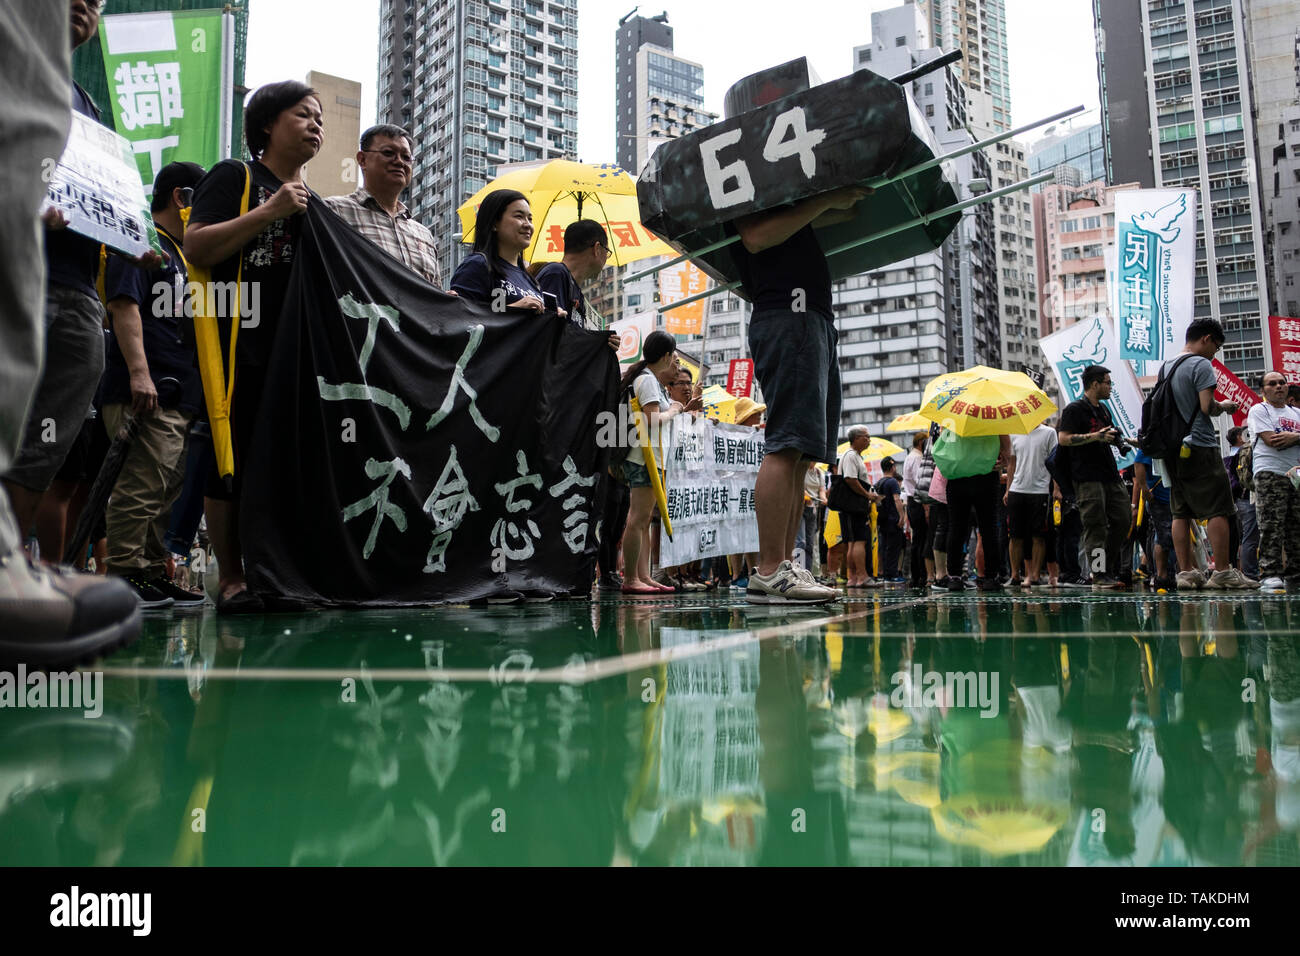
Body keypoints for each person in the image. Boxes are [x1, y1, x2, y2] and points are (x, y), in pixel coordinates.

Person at [0, 0, 142, 666]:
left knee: (45, 436)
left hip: (75, 289)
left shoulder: (80, 101)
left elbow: (101, 203)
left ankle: (11, 551)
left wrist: (130, 239)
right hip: (25, 269)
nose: (86, 5)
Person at [185, 79, 324, 614]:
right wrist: (271, 211)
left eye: (319, 119)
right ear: (267, 123)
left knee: (286, 460)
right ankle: (233, 578)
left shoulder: (315, 204)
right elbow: (197, 246)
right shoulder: (236, 177)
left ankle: (281, 572)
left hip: (296, 355)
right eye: (304, 115)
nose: (316, 125)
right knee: (231, 458)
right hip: (238, 345)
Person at [728, 185, 871, 604]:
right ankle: (770, 569)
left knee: (800, 451)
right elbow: (754, 236)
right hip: (789, 318)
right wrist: (826, 199)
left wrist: (836, 200)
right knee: (786, 444)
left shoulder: (789, 197)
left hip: (812, 320)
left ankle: (782, 566)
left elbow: (830, 216)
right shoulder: (743, 180)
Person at [102, 161, 208, 609]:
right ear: (180, 198)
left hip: (177, 393)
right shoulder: (142, 241)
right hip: (144, 389)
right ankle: (125, 574)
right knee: (142, 485)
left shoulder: (184, 255)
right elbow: (123, 305)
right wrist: (139, 373)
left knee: (165, 488)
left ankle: (147, 571)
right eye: (202, 201)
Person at [1160, 319, 1255, 590]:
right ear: (1207, 338)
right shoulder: (1200, 364)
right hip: (1199, 445)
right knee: (1219, 507)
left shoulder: (1167, 366)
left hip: (1172, 449)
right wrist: (1224, 406)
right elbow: (1206, 407)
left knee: (1181, 511)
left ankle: (1187, 573)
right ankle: (1223, 572)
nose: (1215, 353)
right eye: (1216, 346)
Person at [615, 331, 698, 594]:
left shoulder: (647, 379)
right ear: (664, 355)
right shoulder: (647, 381)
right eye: (673, 354)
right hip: (644, 458)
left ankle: (644, 576)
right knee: (638, 518)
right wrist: (673, 409)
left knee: (644, 519)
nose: (675, 359)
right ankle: (631, 578)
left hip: (651, 458)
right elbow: (651, 419)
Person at [323, 124, 444, 286]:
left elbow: (435, 293)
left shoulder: (424, 234)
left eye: (406, 157)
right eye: (389, 153)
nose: (399, 162)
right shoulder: (333, 211)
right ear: (362, 159)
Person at [1057, 365, 1131, 591]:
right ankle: (1099, 574)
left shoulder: (1104, 410)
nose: (1110, 386)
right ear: (1095, 384)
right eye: (1107, 382)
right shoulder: (1074, 410)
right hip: (1086, 477)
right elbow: (1063, 439)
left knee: (1123, 519)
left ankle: (1105, 567)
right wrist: (1095, 436)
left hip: (1110, 474)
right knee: (1095, 526)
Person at [449, 188, 546, 311]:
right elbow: (461, 318)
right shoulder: (477, 265)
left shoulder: (531, 281)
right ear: (494, 223)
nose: (528, 225)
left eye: (530, 218)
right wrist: (514, 309)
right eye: (519, 216)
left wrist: (551, 315)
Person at [1247, 371, 1300, 591]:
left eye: (1282, 382)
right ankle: (1270, 573)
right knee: (1271, 524)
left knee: (1296, 526)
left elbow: (1286, 439)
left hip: (1296, 475)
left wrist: (1294, 437)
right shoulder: (1259, 410)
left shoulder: (1297, 411)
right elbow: (1273, 440)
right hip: (1269, 472)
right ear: (1263, 390)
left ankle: (1296, 573)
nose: (1278, 386)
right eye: (1272, 383)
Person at [940, 430, 1012, 592]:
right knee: (989, 529)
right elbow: (1007, 451)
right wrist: (1001, 463)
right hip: (986, 476)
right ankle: (991, 577)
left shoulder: (953, 416)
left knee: (956, 528)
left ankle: (954, 577)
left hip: (957, 476)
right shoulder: (992, 416)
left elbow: (942, 447)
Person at [534, 220, 619, 349]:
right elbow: (548, 334)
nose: (606, 258)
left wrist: (602, 344)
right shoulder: (556, 274)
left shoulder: (577, 293)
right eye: (606, 251)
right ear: (597, 249)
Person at [1005, 421, 1057, 588]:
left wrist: (1056, 488)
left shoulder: (1049, 433)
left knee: (1038, 535)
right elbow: (1012, 464)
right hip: (1017, 489)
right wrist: (1008, 489)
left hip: (1040, 490)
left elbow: (1055, 463)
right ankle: (1015, 575)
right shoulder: (1014, 432)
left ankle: (1034, 575)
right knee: (1015, 535)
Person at [836, 427, 878, 589]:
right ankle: (861, 576)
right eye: (866, 437)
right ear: (857, 438)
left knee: (853, 542)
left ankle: (853, 577)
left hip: (851, 505)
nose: (869, 439)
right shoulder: (851, 456)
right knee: (858, 540)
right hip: (854, 505)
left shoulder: (854, 456)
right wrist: (867, 495)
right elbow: (850, 479)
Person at [1132, 448, 1176, 591]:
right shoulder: (1152, 439)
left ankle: (1167, 574)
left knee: (1166, 535)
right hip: (1159, 497)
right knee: (1162, 536)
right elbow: (1138, 462)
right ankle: (1161, 576)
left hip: (1170, 496)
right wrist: (1144, 489)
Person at [1224, 425, 1258, 579]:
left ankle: (1244, 571)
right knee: (1250, 536)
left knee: (1240, 536)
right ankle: (1251, 573)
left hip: (1234, 501)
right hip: (1246, 498)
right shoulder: (1243, 454)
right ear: (1240, 437)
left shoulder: (1227, 458)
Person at [901, 431, 933, 588]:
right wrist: (927, 508)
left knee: (917, 540)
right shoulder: (918, 458)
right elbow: (922, 483)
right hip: (919, 501)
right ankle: (921, 574)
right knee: (923, 539)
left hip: (911, 501)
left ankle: (916, 575)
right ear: (922, 443)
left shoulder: (909, 457)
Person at [874, 456, 906, 582]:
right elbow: (897, 499)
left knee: (885, 547)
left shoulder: (878, 483)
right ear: (893, 467)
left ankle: (885, 573)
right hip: (893, 520)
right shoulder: (892, 482)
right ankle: (892, 574)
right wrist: (902, 516)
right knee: (893, 548)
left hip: (882, 520)